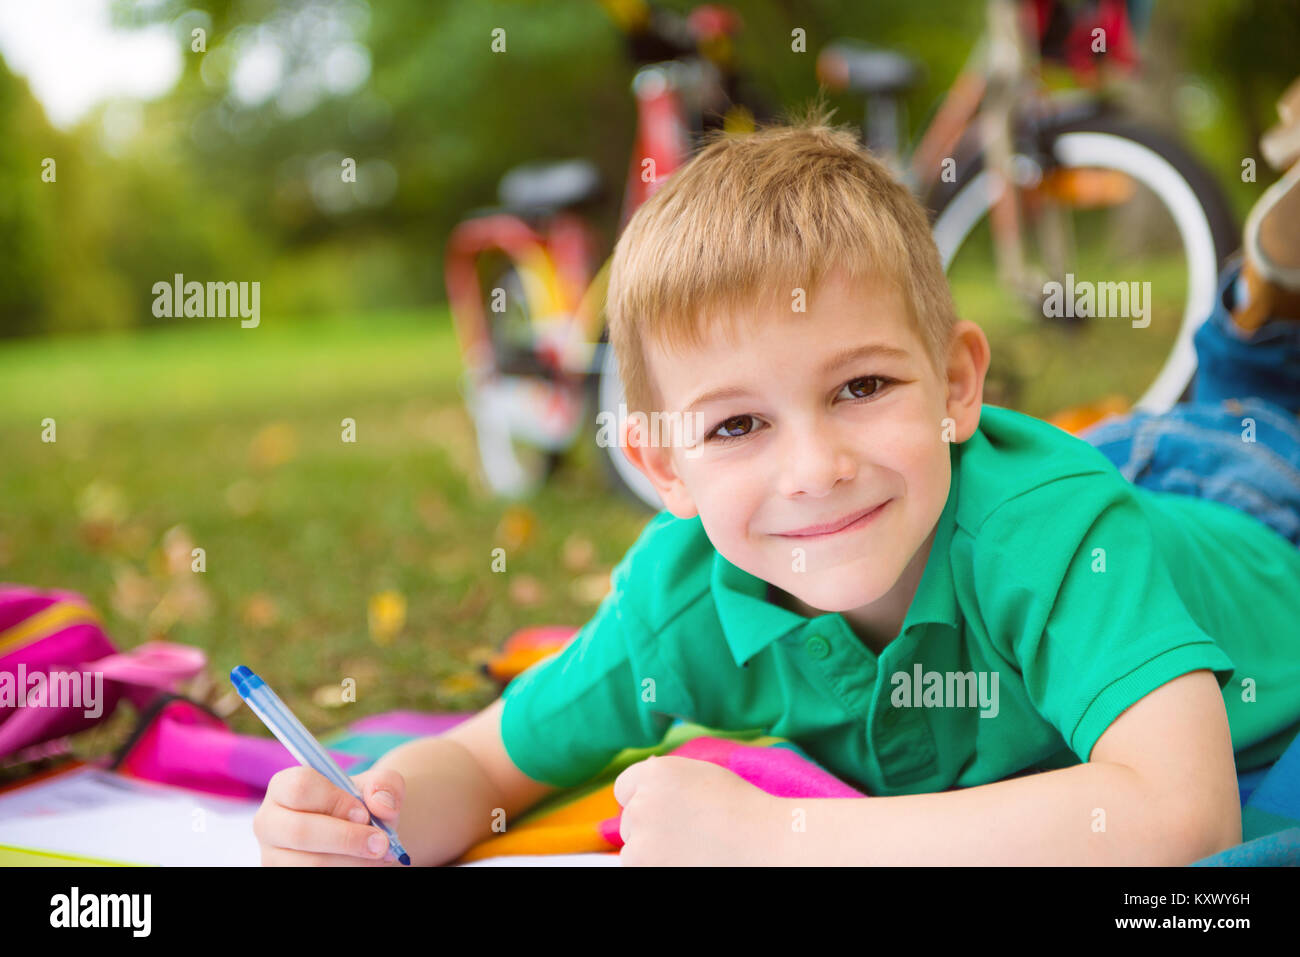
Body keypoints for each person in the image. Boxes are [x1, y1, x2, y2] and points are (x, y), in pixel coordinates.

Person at [253, 106, 1300, 866]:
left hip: (1245, 505)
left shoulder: (1054, 538)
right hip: (1035, 476)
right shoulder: (677, 606)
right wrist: (375, 812)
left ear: (953, 383)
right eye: (739, 424)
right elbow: (482, 769)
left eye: (860, 386)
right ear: (660, 464)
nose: (814, 468)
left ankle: (1258, 324)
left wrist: (783, 838)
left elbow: (1180, 815)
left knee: (1237, 419)